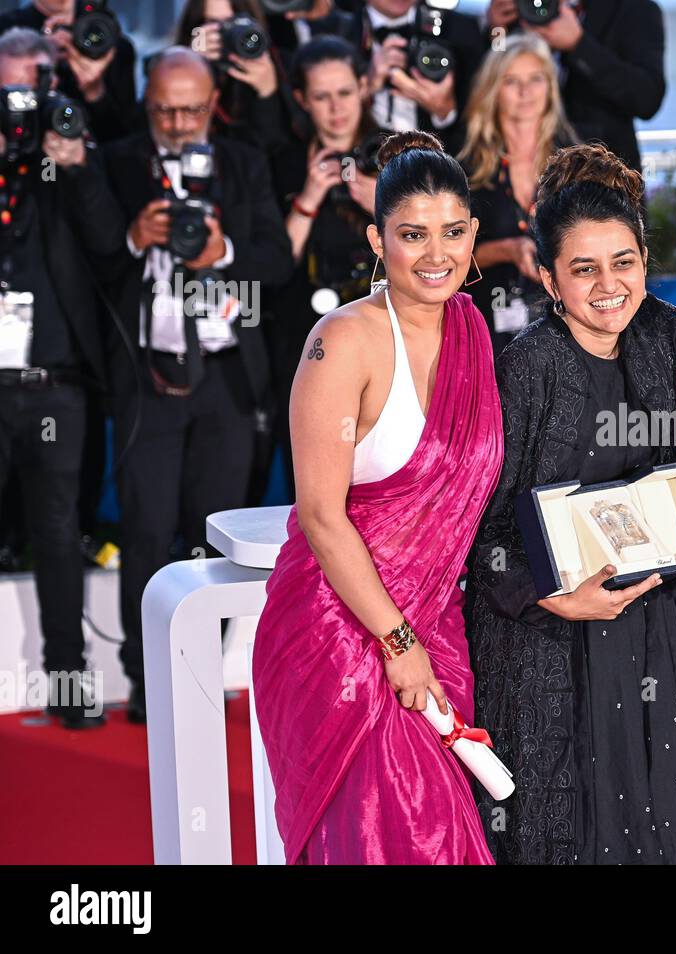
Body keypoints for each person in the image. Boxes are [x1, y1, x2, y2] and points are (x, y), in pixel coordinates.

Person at [467, 143, 676, 864]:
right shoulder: (525, 369)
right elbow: (481, 530)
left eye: (624, 263)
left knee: (670, 822)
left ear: (645, 260)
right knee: (574, 832)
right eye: (584, 269)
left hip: (660, 633)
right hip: (555, 642)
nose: (609, 286)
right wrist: (552, 596)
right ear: (549, 278)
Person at [252, 130, 500, 865]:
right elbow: (321, 517)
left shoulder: (473, 331)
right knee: (390, 839)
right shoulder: (342, 341)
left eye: (452, 232)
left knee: (436, 836)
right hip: (338, 633)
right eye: (412, 234)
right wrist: (398, 644)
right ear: (376, 239)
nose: (435, 254)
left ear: (473, 235)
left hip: (435, 630)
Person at [101, 47, 293, 723]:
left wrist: (223, 253)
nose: (178, 124)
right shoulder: (119, 162)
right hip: (148, 374)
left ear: (213, 104)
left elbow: (277, 259)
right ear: (146, 104)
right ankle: (148, 679)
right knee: (147, 532)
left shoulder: (243, 162)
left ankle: (202, 675)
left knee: (216, 534)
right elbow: (89, 255)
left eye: (190, 110)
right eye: (164, 111)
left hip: (225, 375)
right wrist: (133, 237)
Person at [0, 27, 123, 729]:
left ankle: (69, 686)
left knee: (57, 533)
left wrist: (72, 166)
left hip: (55, 384)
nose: (24, 102)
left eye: (36, 85)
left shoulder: (75, 155)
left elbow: (109, 244)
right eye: (10, 88)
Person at [269, 35, 382, 498]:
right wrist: (309, 197)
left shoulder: (392, 155)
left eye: (344, 93)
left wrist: (382, 203)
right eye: (321, 97)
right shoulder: (283, 160)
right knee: (313, 482)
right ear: (301, 99)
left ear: (363, 87)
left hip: (382, 338)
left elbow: (429, 250)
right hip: (305, 339)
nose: (336, 109)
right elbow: (276, 267)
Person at [457, 32, 575, 351]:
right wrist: (506, 250)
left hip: (565, 327)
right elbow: (446, 258)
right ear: (492, 91)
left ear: (550, 87)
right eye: (511, 81)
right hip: (485, 329)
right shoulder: (467, 168)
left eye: (536, 79)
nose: (526, 92)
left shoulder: (572, 163)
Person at [485, 0, 666, 173]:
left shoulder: (634, 9)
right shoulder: (519, 8)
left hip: (603, 176)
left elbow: (647, 98)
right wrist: (496, 31)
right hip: (514, 169)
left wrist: (579, 44)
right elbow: (488, 83)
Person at [345, 0, 485, 155]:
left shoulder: (460, 28)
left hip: (435, 161)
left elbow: (483, 118)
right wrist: (366, 88)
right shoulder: (337, 30)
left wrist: (445, 111)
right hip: (357, 158)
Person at [0, 0, 138, 143]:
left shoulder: (112, 46)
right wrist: (40, 52)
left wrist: (94, 91)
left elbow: (125, 137)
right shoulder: (5, 27)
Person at [174, 0, 295, 152]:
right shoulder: (174, 65)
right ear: (195, 30)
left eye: (234, 22)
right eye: (213, 24)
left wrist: (268, 93)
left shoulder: (282, 64)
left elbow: (280, 149)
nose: (227, 33)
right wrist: (188, 66)